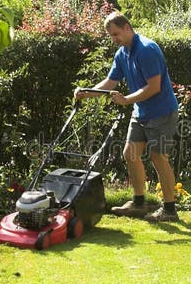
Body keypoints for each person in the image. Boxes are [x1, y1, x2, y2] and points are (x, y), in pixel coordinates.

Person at [74, 11, 180, 222]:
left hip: (161, 112)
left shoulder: (147, 50)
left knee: (159, 157)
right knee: (130, 154)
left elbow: (154, 87)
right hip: (141, 111)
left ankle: (169, 210)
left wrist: (127, 100)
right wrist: (87, 92)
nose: (114, 39)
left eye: (116, 34)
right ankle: (138, 204)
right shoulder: (122, 54)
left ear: (127, 28)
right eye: (111, 36)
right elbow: (109, 83)